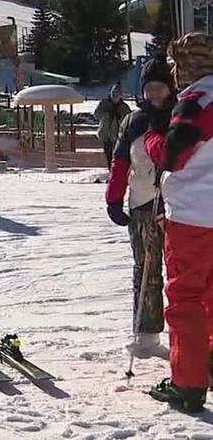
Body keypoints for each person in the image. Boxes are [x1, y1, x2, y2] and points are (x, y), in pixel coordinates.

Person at [143, 32, 213, 412]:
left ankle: (187, 382)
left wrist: (155, 135)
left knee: (185, 296)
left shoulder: (197, 99)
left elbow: (174, 155)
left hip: (193, 214)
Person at [105, 55, 176, 356]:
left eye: (160, 88)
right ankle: (146, 333)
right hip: (143, 203)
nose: (155, 94)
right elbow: (120, 163)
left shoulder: (181, 116)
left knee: (181, 271)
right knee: (147, 269)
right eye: (150, 88)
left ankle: (188, 336)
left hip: (176, 204)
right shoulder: (134, 121)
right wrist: (113, 198)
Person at [95, 83, 132, 169]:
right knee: (108, 155)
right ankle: (110, 171)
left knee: (116, 156)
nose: (115, 96)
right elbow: (96, 114)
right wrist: (105, 113)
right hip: (105, 134)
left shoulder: (124, 107)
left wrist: (120, 117)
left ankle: (114, 173)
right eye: (114, 94)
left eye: (117, 94)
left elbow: (128, 120)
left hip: (117, 135)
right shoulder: (104, 103)